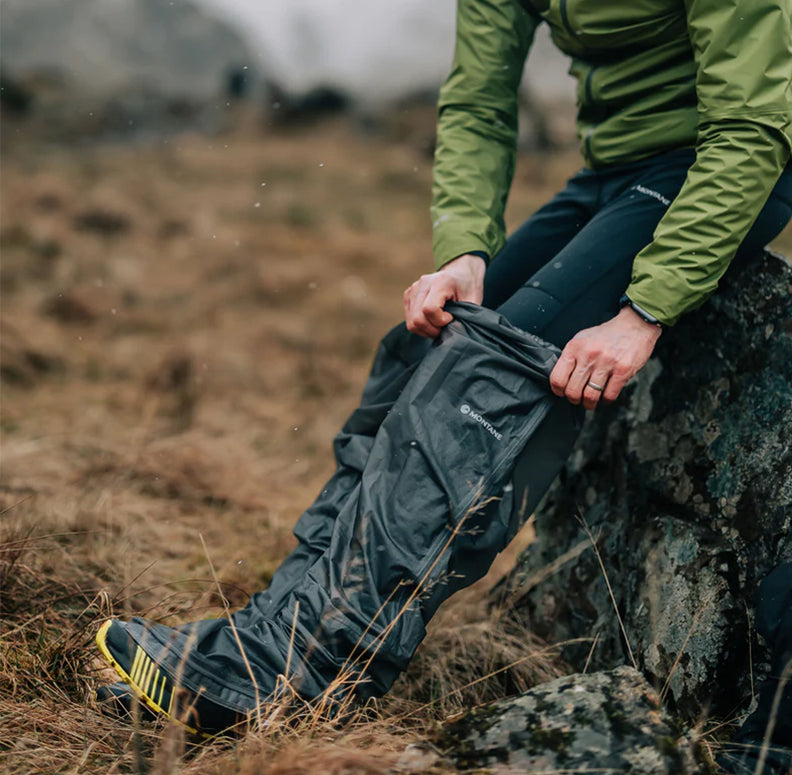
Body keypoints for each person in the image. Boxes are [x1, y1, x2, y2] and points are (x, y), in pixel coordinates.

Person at [95, 0, 792, 765]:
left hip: (722, 163)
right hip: (615, 172)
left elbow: (754, 123)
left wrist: (647, 306)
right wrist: (465, 249)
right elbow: (479, 99)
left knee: (494, 375)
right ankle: (276, 631)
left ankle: (305, 673)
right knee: (429, 346)